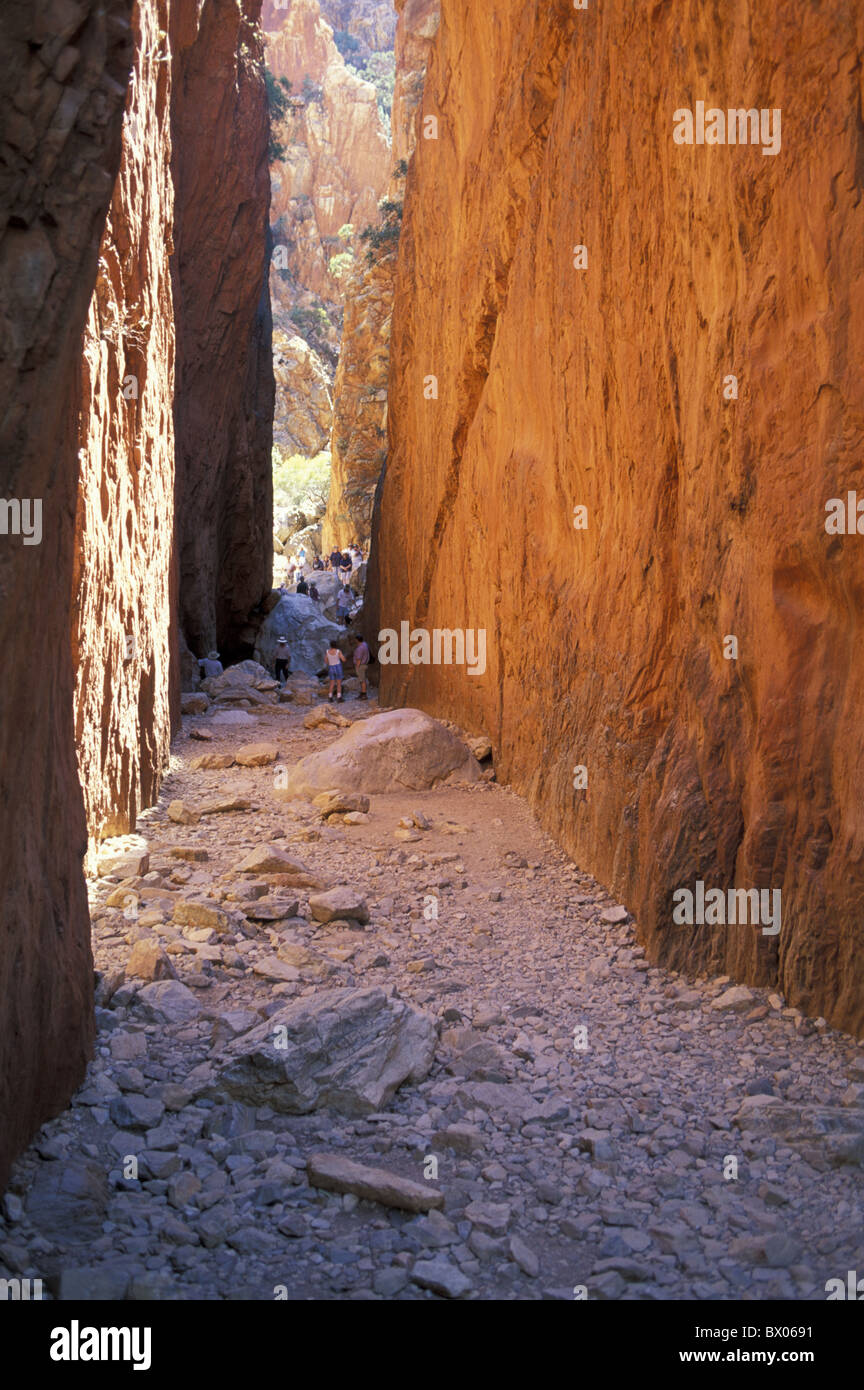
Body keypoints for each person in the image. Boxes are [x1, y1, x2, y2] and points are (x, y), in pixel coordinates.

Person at [353, 634, 370, 700]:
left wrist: (357, 667)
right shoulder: (365, 644)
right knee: (362, 679)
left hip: (360, 666)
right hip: (364, 664)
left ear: (357, 640)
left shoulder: (360, 648)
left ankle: (364, 695)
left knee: (362, 680)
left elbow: (358, 659)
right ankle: (362, 693)